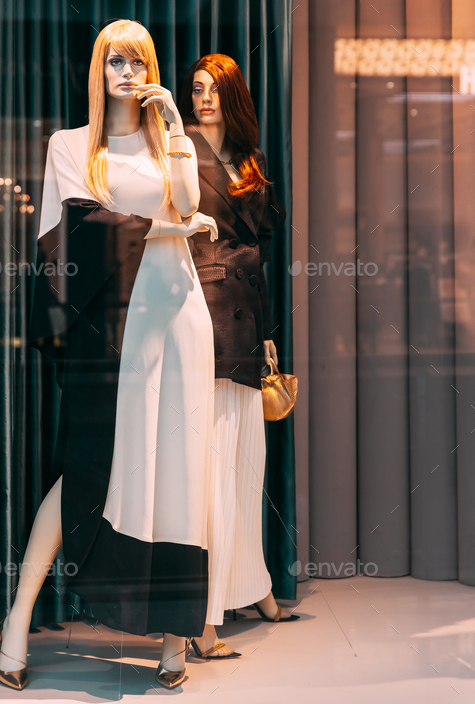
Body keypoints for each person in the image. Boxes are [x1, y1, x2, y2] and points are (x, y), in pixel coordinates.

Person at [0, 20, 218, 691]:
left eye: (137, 59)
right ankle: (17, 618)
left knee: (179, 467)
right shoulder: (69, 146)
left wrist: (175, 119)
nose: (125, 70)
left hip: (178, 317)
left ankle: (175, 636)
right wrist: (170, 228)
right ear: (98, 68)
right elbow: (78, 236)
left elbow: (192, 199)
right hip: (111, 329)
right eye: (114, 59)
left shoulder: (166, 143)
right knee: (88, 471)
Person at [178, 53, 299, 660]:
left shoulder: (249, 163)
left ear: (233, 97)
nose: (203, 98)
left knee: (245, 468)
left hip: (249, 327)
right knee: (210, 472)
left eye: (213, 89)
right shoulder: (180, 152)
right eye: (195, 88)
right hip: (205, 319)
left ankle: (255, 586)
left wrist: (270, 332)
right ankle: (202, 619)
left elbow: (263, 252)